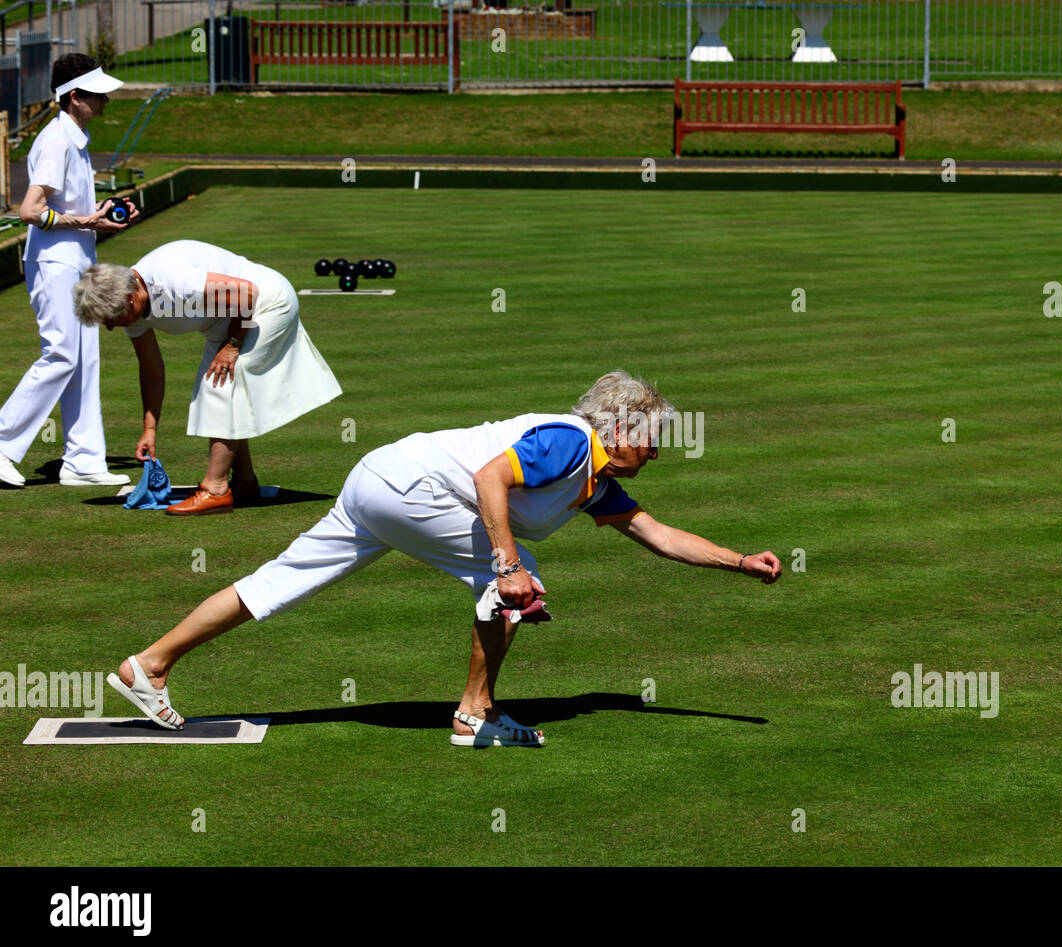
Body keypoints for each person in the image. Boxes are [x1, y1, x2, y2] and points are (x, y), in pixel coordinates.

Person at [106, 371, 783, 747]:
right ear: (620, 428)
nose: (657, 452)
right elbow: (492, 478)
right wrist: (506, 563)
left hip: (381, 483)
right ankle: (474, 714)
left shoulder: (597, 481)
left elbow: (659, 534)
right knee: (515, 586)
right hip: (408, 487)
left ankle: (149, 664)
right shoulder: (571, 443)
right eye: (651, 439)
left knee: (274, 584)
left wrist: (740, 560)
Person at [72, 239, 342, 515]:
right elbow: (152, 369)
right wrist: (149, 430)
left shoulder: (174, 281)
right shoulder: (132, 308)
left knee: (221, 386)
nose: (110, 327)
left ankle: (215, 488)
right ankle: (245, 482)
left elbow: (247, 294)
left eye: (111, 319)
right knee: (221, 388)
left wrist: (233, 344)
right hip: (226, 319)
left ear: (130, 298)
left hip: (266, 304)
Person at [0, 54, 139, 490]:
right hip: (54, 261)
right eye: (97, 93)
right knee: (61, 353)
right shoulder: (57, 139)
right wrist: (85, 221)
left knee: (85, 359)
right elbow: (29, 210)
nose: (106, 99)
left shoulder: (76, 137)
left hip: (79, 261)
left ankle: (82, 459)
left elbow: (72, 208)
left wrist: (106, 216)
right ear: (74, 96)